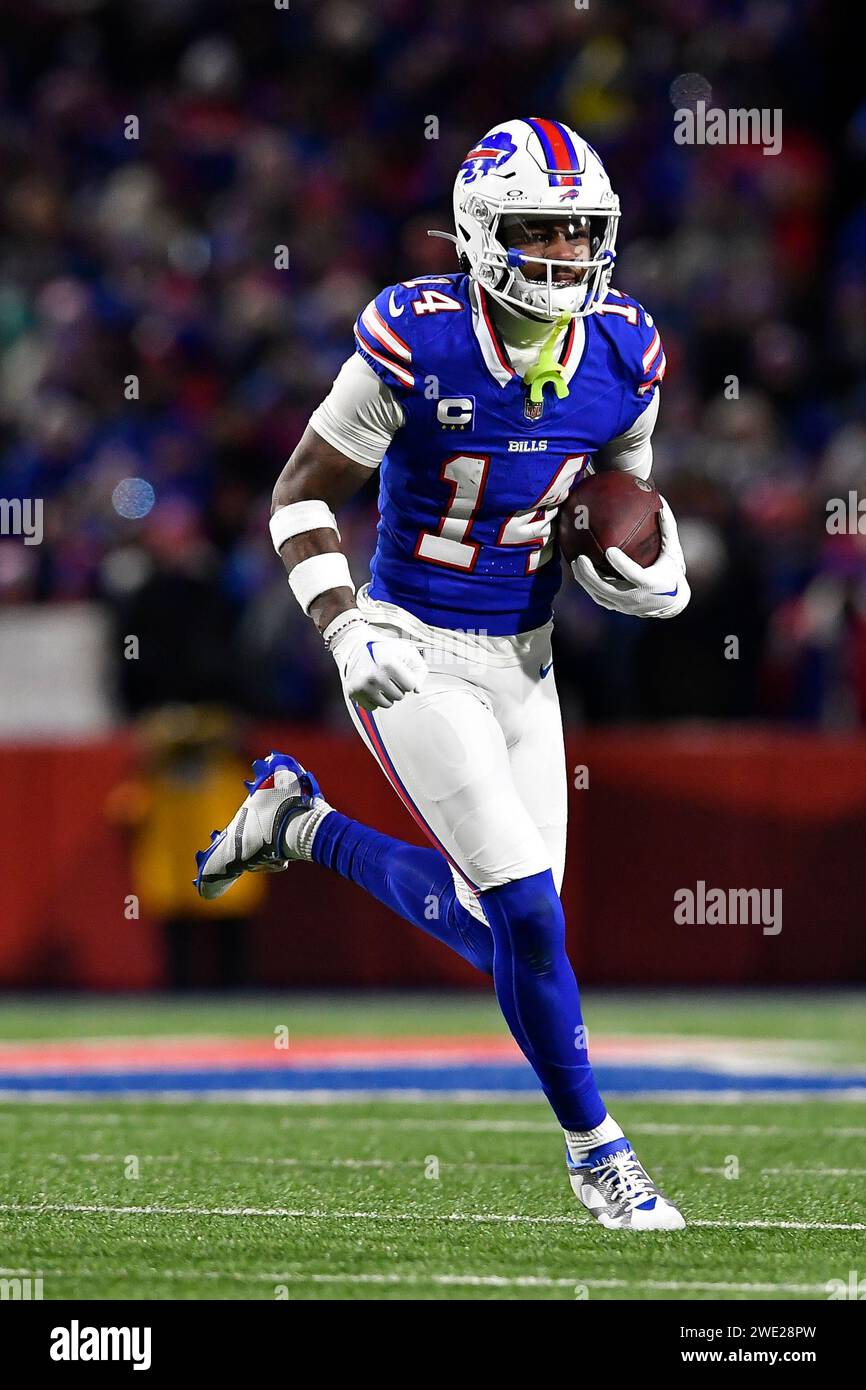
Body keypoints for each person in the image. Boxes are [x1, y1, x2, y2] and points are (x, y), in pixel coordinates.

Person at [195, 118, 689, 1230]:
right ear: (478, 231)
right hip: (411, 648)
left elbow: (617, 502)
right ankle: (598, 1156)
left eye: (581, 229)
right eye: (536, 227)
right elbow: (297, 494)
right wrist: (339, 626)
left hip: (526, 659)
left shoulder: (626, 350)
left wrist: (649, 565)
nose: (563, 251)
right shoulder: (414, 334)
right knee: (525, 914)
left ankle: (300, 826)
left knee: (514, 930)